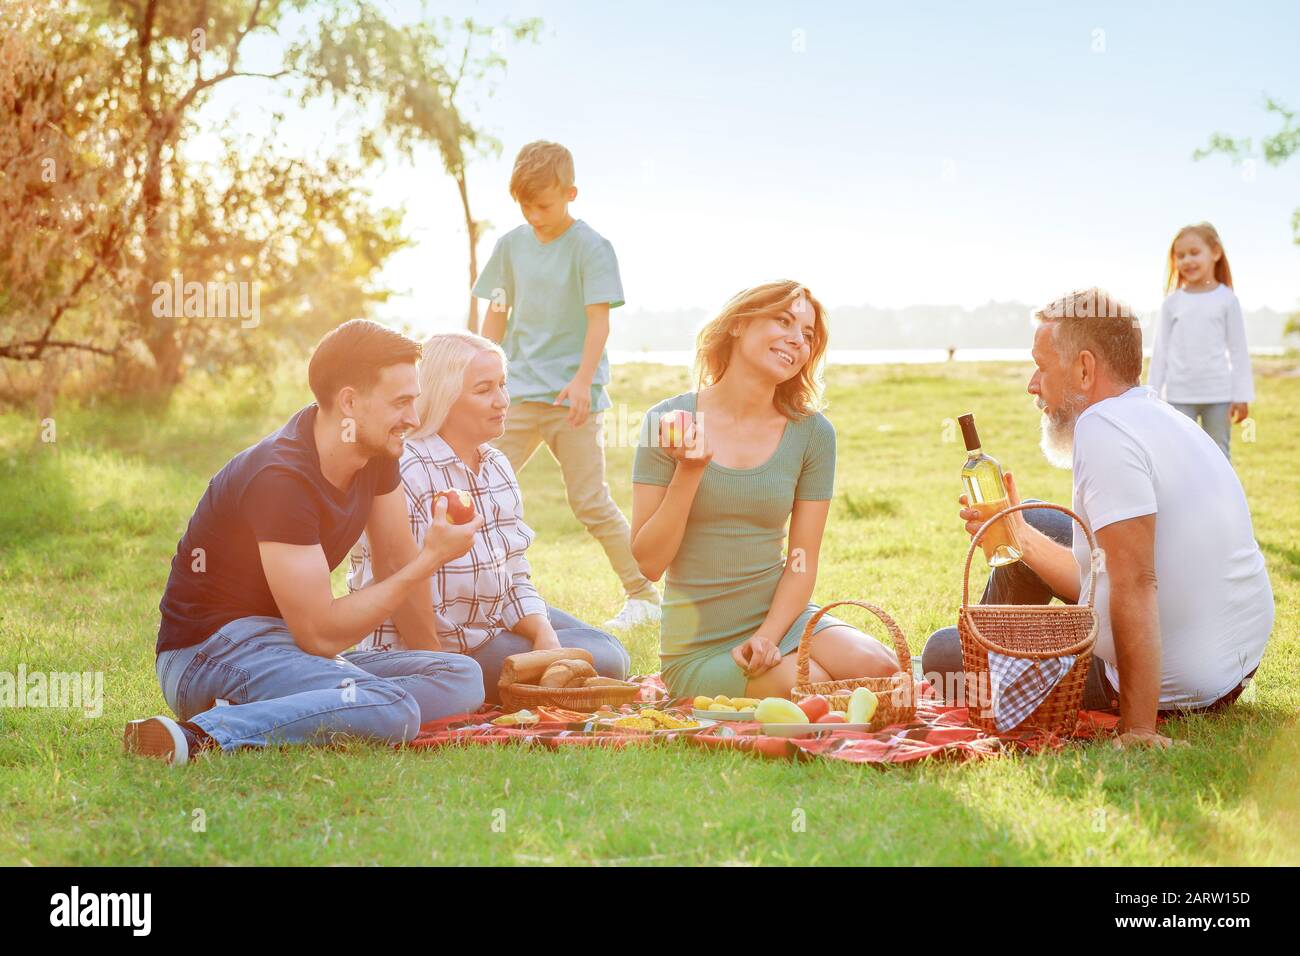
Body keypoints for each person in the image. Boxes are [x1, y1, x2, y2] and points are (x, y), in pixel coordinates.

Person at [922, 288, 1273, 748]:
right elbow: (1102, 578)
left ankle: (990, 652)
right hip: (1230, 667)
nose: (1032, 383)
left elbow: (1134, 581)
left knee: (942, 654)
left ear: (1085, 369)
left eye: (1042, 366)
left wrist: (1138, 730)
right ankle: (997, 641)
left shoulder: (1102, 429)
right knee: (1040, 521)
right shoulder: (1158, 415)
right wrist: (1018, 534)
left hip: (1179, 683)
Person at [124, 321, 486, 766]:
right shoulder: (281, 478)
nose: (413, 418)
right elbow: (319, 634)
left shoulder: (374, 453)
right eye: (401, 403)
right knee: (394, 707)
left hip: (280, 643)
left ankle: (292, 711)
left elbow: (394, 559)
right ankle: (198, 734)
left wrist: (427, 659)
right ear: (350, 401)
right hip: (207, 653)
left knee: (460, 676)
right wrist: (432, 558)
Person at [630, 281, 899, 700]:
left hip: (781, 618)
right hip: (699, 644)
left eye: (808, 335)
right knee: (813, 684)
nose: (797, 339)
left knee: (881, 667)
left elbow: (802, 559)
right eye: (784, 320)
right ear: (738, 325)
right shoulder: (666, 420)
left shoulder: (812, 433)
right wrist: (690, 469)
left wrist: (769, 636)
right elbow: (648, 562)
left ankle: (790, 658)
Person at [348, 331, 629, 704]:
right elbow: (403, 587)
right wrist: (440, 670)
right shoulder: (408, 467)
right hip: (441, 646)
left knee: (611, 653)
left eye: (502, 385)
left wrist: (543, 635)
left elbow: (513, 571)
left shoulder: (496, 465)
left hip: (489, 623)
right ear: (444, 397)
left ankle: (535, 672)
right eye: (484, 390)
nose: (502, 401)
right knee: (603, 657)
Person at [473, 140, 661, 633]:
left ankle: (644, 597)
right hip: (516, 393)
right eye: (525, 205)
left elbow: (597, 322)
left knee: (589, 501)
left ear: (570, 193)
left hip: (571, 399)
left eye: (545, 205)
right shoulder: (510, 247)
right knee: (474, 488)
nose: (534, 215)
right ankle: (472, 595)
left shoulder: (591, 247)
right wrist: (472, 372)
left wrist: (582, 382)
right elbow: (496, 311)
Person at [1148, 222, 1254, 460]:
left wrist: (1242, 395)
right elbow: (1160, 350)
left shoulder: (1227, 300)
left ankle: (1221, 499)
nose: (1187, 261)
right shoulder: (1172, 303)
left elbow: (1238, 350)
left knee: (1218, 456)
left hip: (1218, 395)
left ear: (1215, 253)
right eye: (1180, 256)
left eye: (1194, 253)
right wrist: (1152, 394)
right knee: (1180, 456)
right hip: (1178, 395)